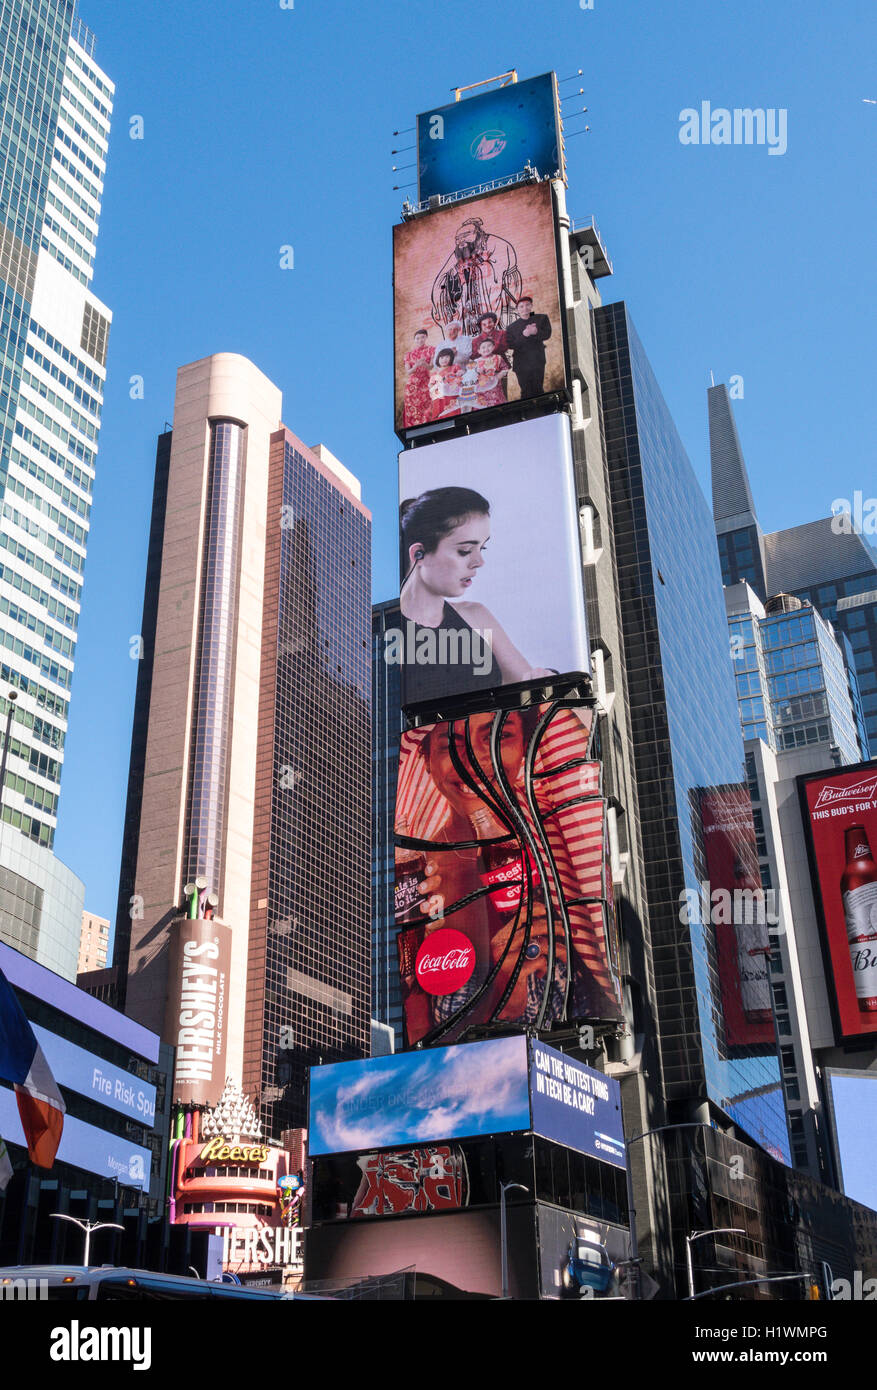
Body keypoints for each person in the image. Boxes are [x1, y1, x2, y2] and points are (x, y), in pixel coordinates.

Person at [399, 487, 552, 705]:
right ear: (418, 554)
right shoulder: (387, 634)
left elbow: (529, 687)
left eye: (482, 548)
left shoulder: (476, 616)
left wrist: (544, 679)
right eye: (464, 551)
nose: (479, 562)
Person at [505, 296, 552, 399]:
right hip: (521, 363)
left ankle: (542, 412)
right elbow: (510, 345)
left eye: (527, 305)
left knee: (538, 389)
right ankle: (526, 413)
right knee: (525, 391)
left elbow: (547, 334)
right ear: (517, 309)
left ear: (531, 306)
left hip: (537, 360)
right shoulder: (512, 327)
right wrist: (524, 335)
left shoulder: (541, 318)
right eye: (521, 306)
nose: (524, 308)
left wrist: (536, 332)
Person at [402, 328, 434, 426]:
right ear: (414, 340)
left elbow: (431, 366)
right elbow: (408, 372)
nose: (420, 340)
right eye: (417, 338)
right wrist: (416, 365)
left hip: (426, 382)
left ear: (426, 337)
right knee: (413, 409)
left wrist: (424, 364)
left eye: (422, 337)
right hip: (412, 386)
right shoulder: (409, 354)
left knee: (426, 407)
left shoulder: (431, 349)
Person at [472, 337, 509, 409]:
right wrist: (477, 373)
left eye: (489, 346)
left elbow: (505, 368)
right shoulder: (476, 361)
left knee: (497, 403)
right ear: (479, 351)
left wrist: (499, 375)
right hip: (481, 388)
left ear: (493, 347)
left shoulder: (498, 358)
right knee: (482, 404)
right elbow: (472, 375)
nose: (486, 349)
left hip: (495, 387)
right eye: (483, 347)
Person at [427, 347, 463, 419]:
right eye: (442, 357)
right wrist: (433, 386)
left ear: (451, 358)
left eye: (447, 357)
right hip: (440, 398)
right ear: (438, 359)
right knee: (441, 415)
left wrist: (460, 373)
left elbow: (461, 374)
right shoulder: (435, 372)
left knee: (453, 412)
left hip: (452, 395)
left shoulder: (454, 367)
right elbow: (430, 385)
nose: (444, 359)